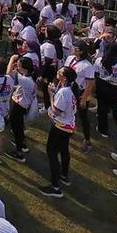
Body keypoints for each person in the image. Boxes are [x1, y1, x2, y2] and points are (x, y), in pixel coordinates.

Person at [39, 66, 79, 198]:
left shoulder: (64, 92)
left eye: (60, 72)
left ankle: (55, 187)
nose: (57, 72)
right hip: (68, 125)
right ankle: (64, 175)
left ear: (65, 78)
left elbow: (56, 110)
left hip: (60, 127)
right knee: (63, 149)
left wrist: (51, 96)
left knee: (52, 152)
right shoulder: (70, 89)